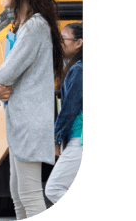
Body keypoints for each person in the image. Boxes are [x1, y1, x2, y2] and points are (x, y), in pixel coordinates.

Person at [0, 0, 66, 219]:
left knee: (30, 195)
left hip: (30, 122)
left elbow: (6, 72)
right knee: (19, 193)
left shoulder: (35, 26)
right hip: (24, 122)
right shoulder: (28, 26)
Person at [46, 22, 83, 204]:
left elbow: (70, 107)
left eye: (63, 39)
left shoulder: (78, 69)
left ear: (79, 43)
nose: (59, 44)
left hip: (79, 139)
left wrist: (56, 137)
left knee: (54, 188)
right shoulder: (75, 68)